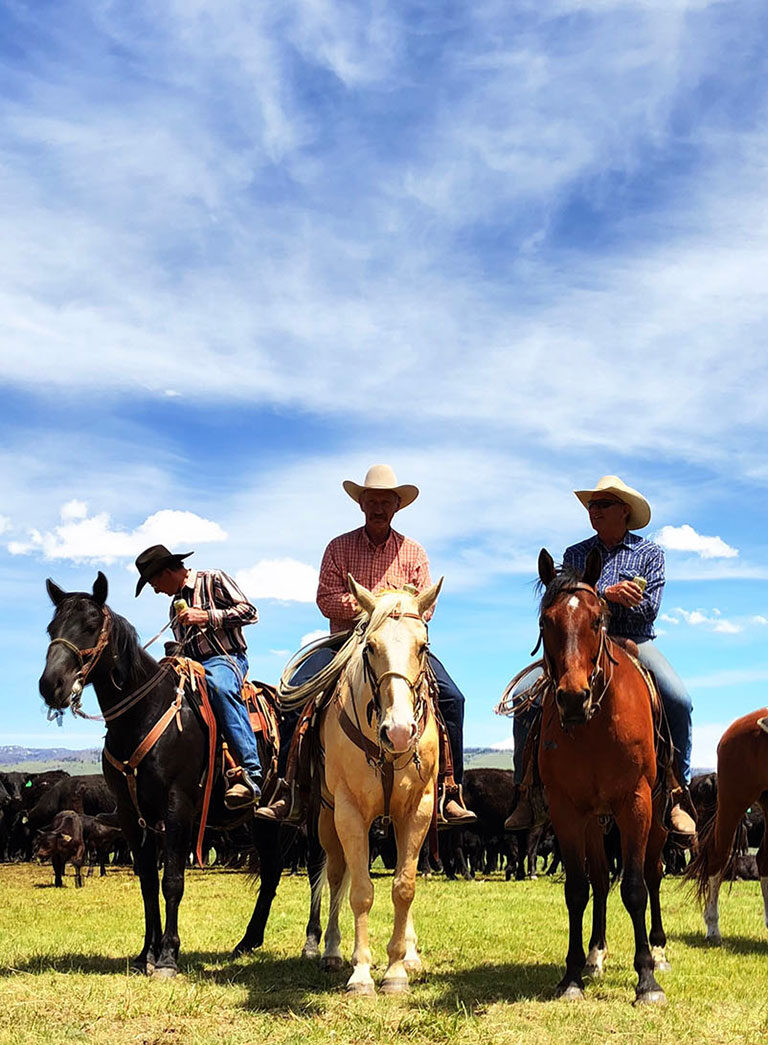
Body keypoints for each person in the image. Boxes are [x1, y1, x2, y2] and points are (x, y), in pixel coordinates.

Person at [256, 464, 476, 826]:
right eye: (372, 500)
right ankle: (288, 787)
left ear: (396, 507)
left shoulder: (414, 552)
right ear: (361, 504)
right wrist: (373, 607)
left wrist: (388, 611)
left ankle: (450, 790)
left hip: (401, 645)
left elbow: (426, 606)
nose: (378, 508)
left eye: (385, 501)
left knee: (453, 698)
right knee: (294, 693)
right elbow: (325, 597)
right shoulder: (339, 547)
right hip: (345, 640)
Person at [505, 475, 696, 837]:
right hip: (580, 645)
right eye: (591, 506)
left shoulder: (650, 554)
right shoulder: (575, 554)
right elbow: (566, 603)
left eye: (603, 505)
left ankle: (678, 793)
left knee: (679, 700)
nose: (594, 511)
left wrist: (612, 602)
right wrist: (606, 595)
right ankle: (525, 792)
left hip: (634, 640)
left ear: (624, 511)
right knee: (524, 699)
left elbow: (650, 609)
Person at [134, 544, 262, 809]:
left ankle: (251, 770)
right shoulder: (174, 609)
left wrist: (205, 616)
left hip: (227, 658)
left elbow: (251, 612)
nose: (156, 590)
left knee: (220, 688)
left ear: (167, 572)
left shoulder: (213, 579)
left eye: (154, 583)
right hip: (191, 665)